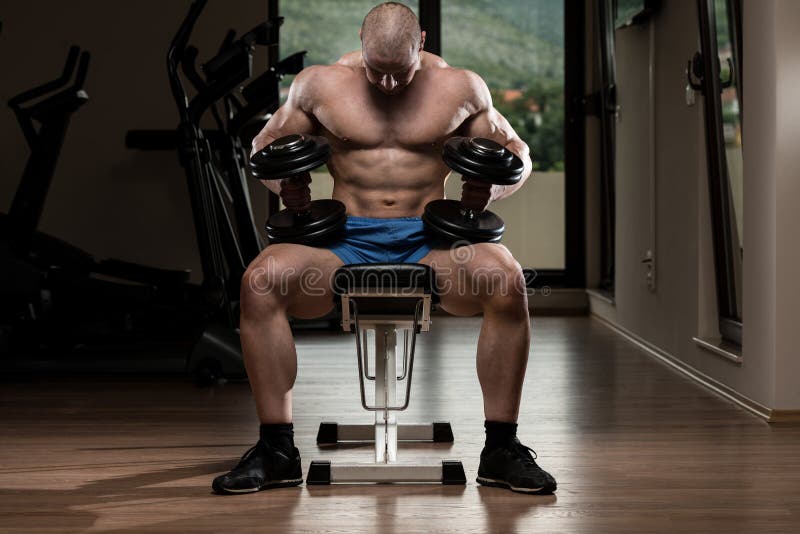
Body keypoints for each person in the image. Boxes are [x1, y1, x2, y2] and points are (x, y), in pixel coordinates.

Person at [212, 2, 557, 495]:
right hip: (343, 236)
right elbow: (264, 149)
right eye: (377, 72)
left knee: (507, 280)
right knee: (259, 282)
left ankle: (501, 448)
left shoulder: (460, 88)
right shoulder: (319, 85)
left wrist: (487, 191)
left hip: (430, 237)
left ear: (421, 43)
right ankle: (277, 449)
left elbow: (517, 157)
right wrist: (285, 185)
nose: (388, 86)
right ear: (361, 43)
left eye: (400, 74)